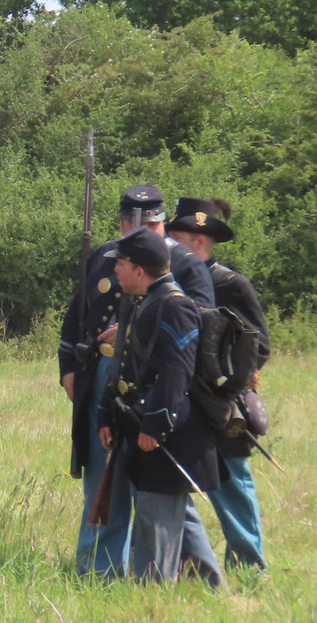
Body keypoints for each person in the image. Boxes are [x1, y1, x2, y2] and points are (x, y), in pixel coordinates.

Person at [58, 183, 215, 578]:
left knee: (161, 489)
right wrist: (68, 367)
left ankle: (194, 573)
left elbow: (197, 332)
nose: (141, 232)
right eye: (132, 225)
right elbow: (78, 313)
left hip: (159, 388)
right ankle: (99, 572)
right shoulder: (106, 256)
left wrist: (132, 333)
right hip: (106, 381)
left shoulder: (185, 264)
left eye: (149, 226)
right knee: (103, 477)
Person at [97, 227, 223, 588]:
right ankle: (212, 591)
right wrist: (107, 414)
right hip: (144, 425)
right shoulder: (141, 301)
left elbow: (176, 374)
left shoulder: (175, 305)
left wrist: (156, 425)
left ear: (139, 270)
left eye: (121, 265)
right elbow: (124, 366)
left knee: (155, 521)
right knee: (178, 516)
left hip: (169, 433)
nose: (115, 271)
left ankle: (152, 597)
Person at [167, 196, 270, 571]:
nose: (168, 245)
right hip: (177, 400)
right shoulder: (166, 284)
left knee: (232, 486)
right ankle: (185, 564)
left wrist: (223, 381)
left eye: (176, 238)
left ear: (198, 241)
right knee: (171, 484)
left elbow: (258, 346)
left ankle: (248, 565)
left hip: (221, 404)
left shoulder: (231, 284)